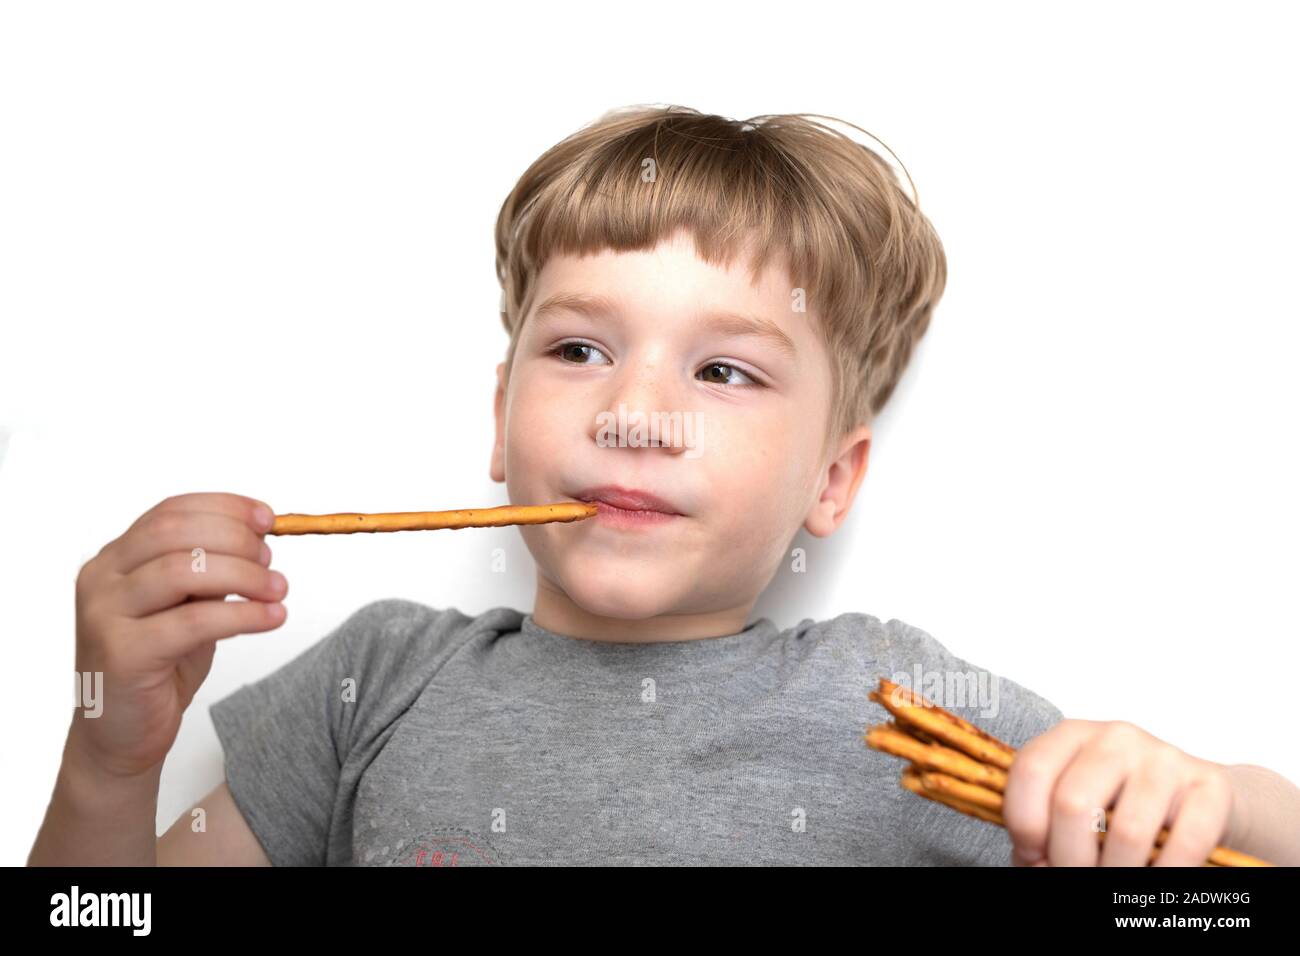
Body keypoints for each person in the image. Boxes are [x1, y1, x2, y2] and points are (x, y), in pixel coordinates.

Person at [29, 105, 1300, 866]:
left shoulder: (906, 701)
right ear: (498, 416)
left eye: (728, 370)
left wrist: (1208, 798)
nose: (634, 412)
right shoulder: (372, 680)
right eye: (578, 350)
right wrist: (105, 754)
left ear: (832, 477)